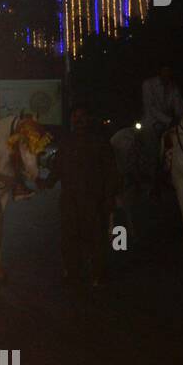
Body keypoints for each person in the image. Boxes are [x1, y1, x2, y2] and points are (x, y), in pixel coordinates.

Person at [56, 103, 120, 287]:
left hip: (94, 200)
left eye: (82, 116)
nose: (79, 120)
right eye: (75, 117)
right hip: (70, 200)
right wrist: (43, 181)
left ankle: (97, 273)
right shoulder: (66, 142)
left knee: (96, 238)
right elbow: (57, 168)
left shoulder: (99, 142)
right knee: (69, 238)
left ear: (88, 120)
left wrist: (109, 198)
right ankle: (72, 272)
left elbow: (111, 171)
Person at [140, 64, 183, 192]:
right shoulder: (148, 85)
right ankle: (151, 179)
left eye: (169, 70)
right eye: (165, 70)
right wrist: (169, 120)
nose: (167, 73)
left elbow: (179, 107)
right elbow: (150, 108)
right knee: (153, 149)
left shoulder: (173, 88)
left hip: (168, 124)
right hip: (151, 123)